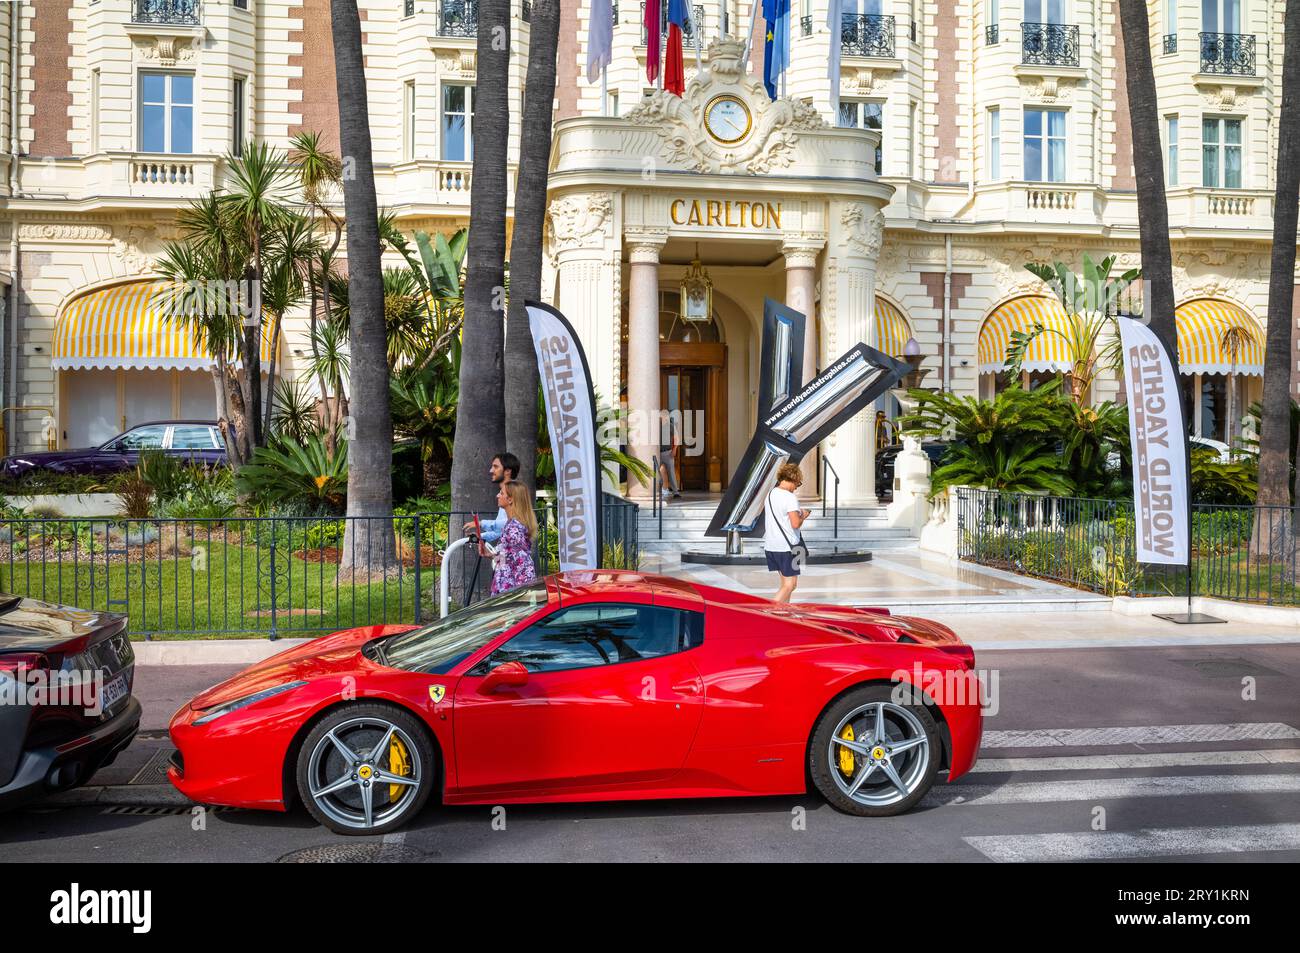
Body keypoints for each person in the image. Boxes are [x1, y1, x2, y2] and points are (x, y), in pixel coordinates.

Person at [764, 461, 812, 603]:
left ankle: (783, 614)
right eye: (798, 484)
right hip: (788, 548)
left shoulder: (771, 494)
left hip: (772, 546)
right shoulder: (789, 497)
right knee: (789, 585)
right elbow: (795, 523)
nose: (797, 488)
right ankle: (769, 613)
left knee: (789, 584)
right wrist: (803, 514)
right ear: (794, 479)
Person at [484, 480, 538, 595]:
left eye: (501, 493)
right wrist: (491, 555)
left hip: (509, 592)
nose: (497, 495)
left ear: (510, 499)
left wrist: (522, 595)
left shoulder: (514, 529)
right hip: (506, 588)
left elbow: (522, 563)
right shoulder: (512, 524)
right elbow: (509, 558)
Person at [463, 451, 520, 545]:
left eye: (496, 466)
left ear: (508, 471)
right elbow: (500, 530)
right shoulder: (504, 494)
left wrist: (481, 523)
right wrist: (480, 537)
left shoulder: (516, 492)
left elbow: (512, 523)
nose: (491, 470)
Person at [658, 413, 682, 500]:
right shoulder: (656, 426)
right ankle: (658, 490)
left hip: (668, 452)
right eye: (662, 416)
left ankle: (676, 492)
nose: (664, 418)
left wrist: (674, 449)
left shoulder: (671, 426)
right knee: (655, 472)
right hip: (657, 452)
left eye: (665, 416)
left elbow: (677, 438)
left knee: (671, 473)